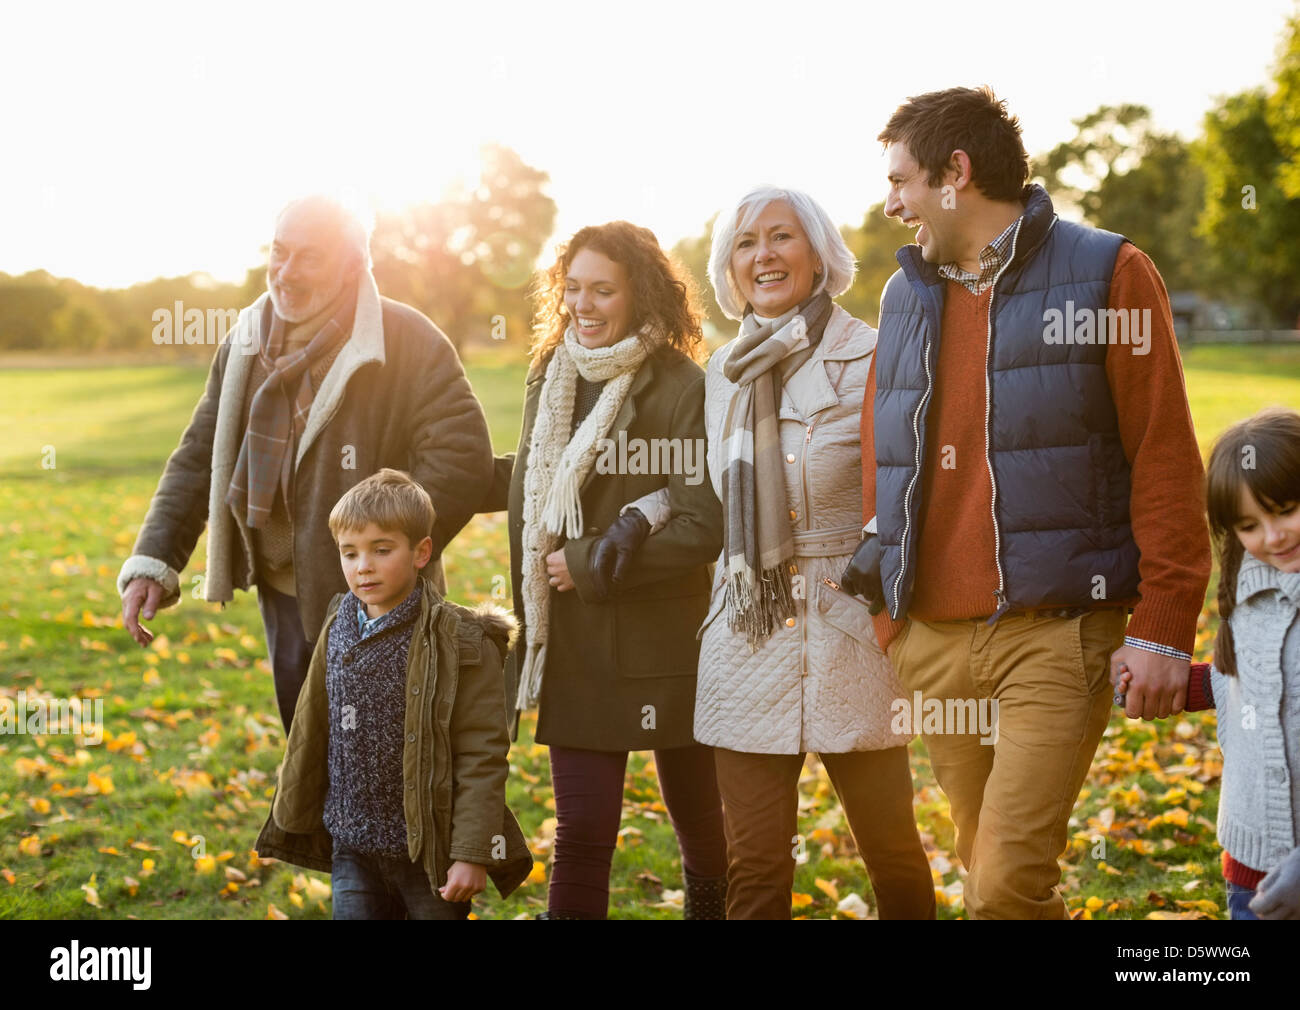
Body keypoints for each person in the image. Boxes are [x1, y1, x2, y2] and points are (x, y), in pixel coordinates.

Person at [842, 86, 1213, 918]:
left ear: (956, 173)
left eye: (901, 180)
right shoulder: (905, 296)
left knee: (1007, 879)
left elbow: (1163, 453)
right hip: (932, 642)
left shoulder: (1107, 272)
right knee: (987, 867)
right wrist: (892, 626)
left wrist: (1162, 625)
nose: (891, 200)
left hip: (1055, 636)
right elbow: (883, 461)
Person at [116, 195, 493, 732]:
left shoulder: (409, 339)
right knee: (305, 754)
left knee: (386, 761)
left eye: (309, 257)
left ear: (353, 264)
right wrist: (154, 559)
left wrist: (384, 555)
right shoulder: (245, 340)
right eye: (280, 252)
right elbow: (200, 456)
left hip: (380, 601)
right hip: (283, 595)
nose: (287, 272)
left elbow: (461, 459)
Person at [666, 185, 934, 920]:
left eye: (781, 237)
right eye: (746, 244)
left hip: (851, 621)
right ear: (729, 267)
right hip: (748, 629)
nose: (764, 256)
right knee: (753, 868)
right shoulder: (723, 372)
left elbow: (915, 489)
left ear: (818, 256)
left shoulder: (874, 354)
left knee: (894, 856)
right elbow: (702, 491)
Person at [501, 221, 729, 919]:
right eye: (572, 288)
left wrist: (587, 562)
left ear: (641, 295)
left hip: (666, 646)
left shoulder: (681, 384)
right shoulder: (552, 372)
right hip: (572, 640)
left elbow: (702, 522)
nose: (583, 305)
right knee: (584, 832)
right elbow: (532, 486)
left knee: (702, 829)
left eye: (603, 289)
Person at [254, 469, 532, 918]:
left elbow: (482, 754)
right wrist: (296, 810)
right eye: (350, 552)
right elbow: (312, 722)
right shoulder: (338, 621)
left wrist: (471, 852)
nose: (363, 565)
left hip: (430, 854)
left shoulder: (462, 641)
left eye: (382, 550)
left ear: (421, 552)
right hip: (352, 847)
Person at [1116, 407, 1300, 920]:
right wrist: (1171, 685)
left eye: (1286, 509)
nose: (1273, 536)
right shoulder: (1250, 595)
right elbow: (1238, 684)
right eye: (1249, 525)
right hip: (1250, 866)